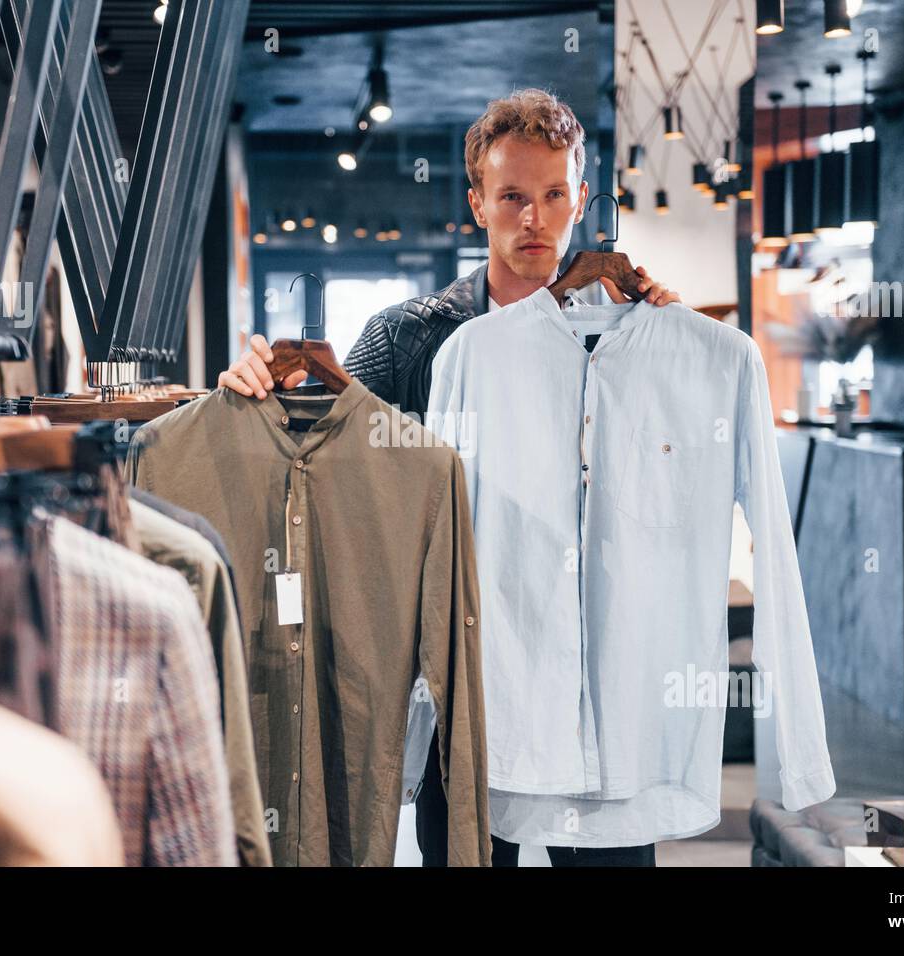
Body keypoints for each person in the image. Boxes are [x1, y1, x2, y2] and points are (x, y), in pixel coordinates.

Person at [218, 89, 681, 867]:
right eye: (511, 197)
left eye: (552, 195)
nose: (533, 219)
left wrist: (668, 358)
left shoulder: (632, 343)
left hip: (597, 679)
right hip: (463, 681)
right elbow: (313, 439)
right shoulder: (409, 340)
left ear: (580, 199)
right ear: (477, 203)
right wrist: (254, 382)